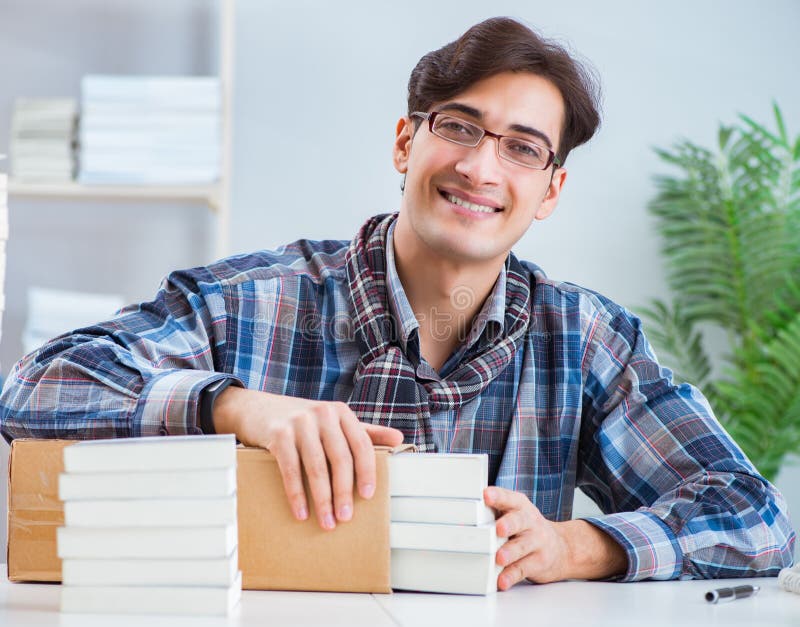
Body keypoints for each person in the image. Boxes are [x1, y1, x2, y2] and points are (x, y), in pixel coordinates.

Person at [0, 17, 794, 589]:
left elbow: (756, 516)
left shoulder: (582, 338)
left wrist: (579, 545)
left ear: (550, 190)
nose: (482, 167)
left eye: (522, 147)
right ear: (405, 143)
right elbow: (31, 389)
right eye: (459, 127)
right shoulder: (255, 302)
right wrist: (238, 409)